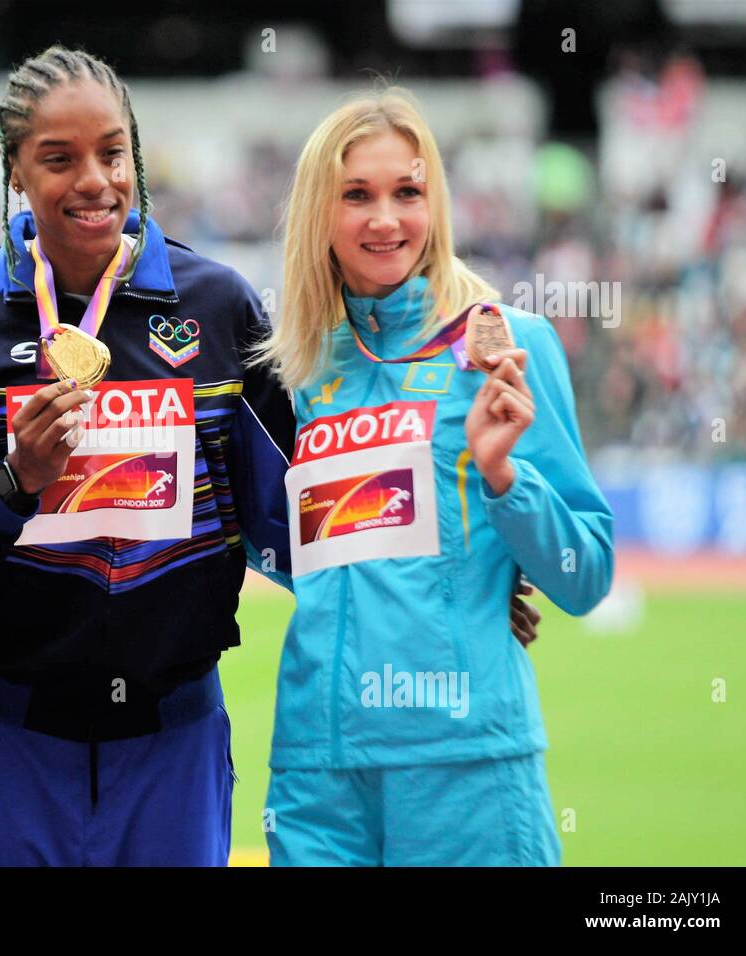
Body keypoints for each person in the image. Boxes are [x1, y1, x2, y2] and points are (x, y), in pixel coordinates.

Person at [0, 45, 296, 866]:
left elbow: (296, 517)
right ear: (14, 170)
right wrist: (14, 486)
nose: (94, 181)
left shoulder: (217, 307)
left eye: (113, 153)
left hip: (173, 736)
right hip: (3, 736)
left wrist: (459, 574)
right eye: (58, 159)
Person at [256, 88, 613, 866]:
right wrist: (437, 581)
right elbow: (284, 543)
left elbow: (586, 574)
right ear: (321, 209)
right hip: (316, 774)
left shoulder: (508, 346)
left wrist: (502, 481)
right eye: (357, 195)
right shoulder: (295, 368)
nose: (386, 219)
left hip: (468, 765)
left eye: (408, 192)